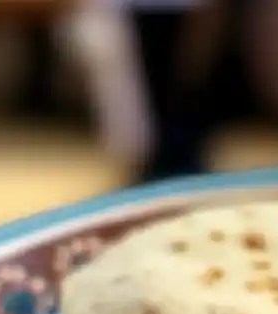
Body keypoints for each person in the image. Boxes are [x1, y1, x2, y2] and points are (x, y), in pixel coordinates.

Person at [75, 0, 251, 184]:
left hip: (182, 12)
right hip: (135, 13)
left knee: (184, 83)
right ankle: (149, 161)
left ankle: (180, 156)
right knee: (141, 92)